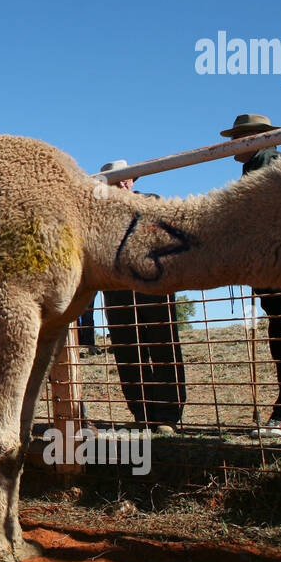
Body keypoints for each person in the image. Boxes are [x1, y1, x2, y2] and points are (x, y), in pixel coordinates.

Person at [220, 113, 281, 441]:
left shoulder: (270, 165)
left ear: (256, 137)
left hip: (279, 268)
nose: (232, 144)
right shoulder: (259, 166)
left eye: (238, 137)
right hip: (272, 267)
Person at [98, 160, 186, 433]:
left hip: (153, 285)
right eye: (116, 180)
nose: (123, 183)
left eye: (127, 178)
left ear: (133, 180)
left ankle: (168, 415)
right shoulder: (100, 211)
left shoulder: (151, 202)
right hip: (116, 288)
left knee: (163, 344)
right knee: (127, 349)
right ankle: (142, 413)